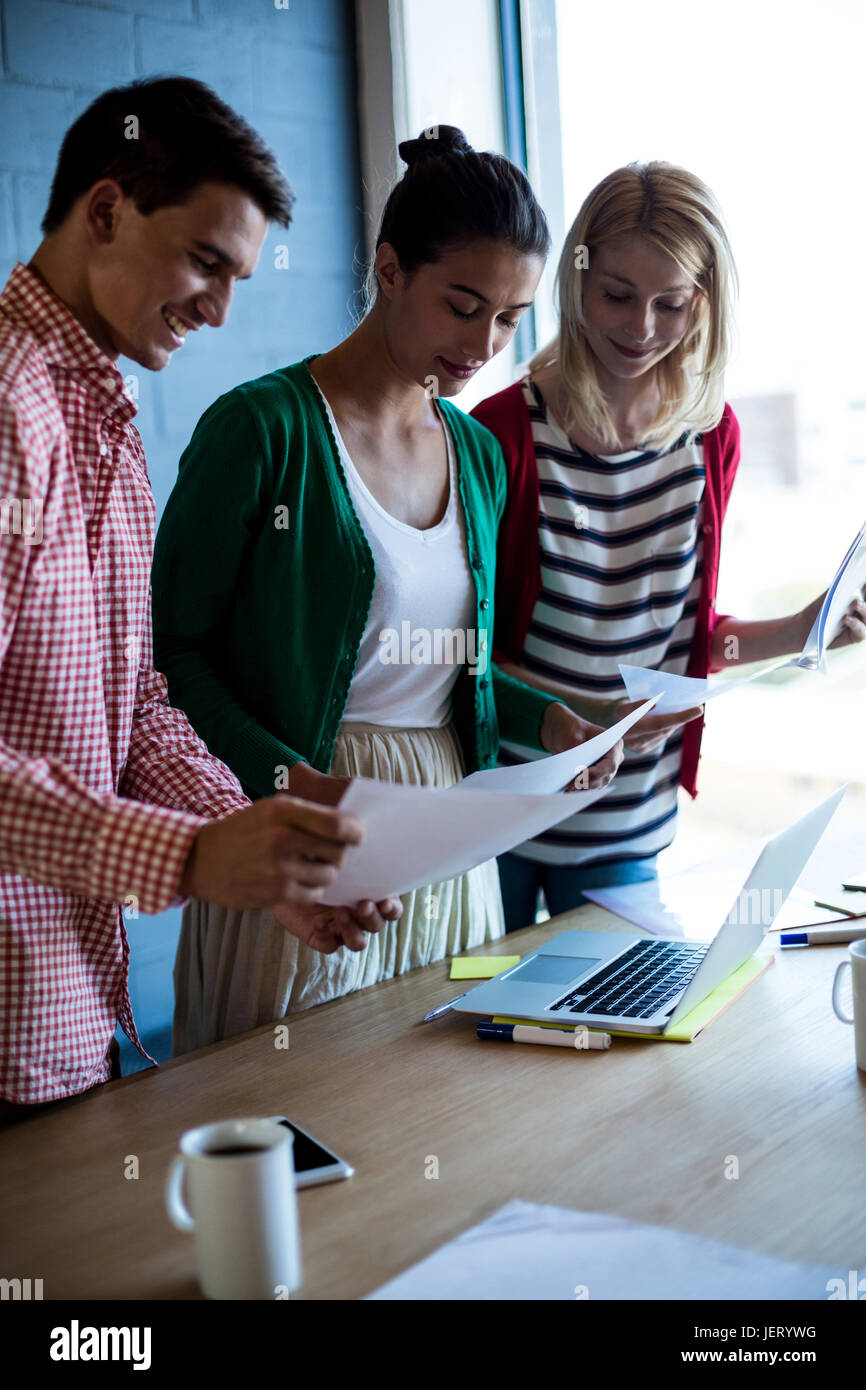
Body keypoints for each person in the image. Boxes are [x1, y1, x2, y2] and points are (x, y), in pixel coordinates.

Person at [152, 125, 624, 1053]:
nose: (484, 344)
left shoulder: (478, 455)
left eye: (511, 319)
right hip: (301, 838)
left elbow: (449, 668)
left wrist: (549, 719)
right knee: (297, 1118)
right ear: (390, 270)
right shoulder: (262, 430)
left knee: (449, 1112)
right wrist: (292, 780)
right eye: (463, 305)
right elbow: (170, 658)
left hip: (445, 845)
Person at [0, 78, 374, 1118]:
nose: (219, 309)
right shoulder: (6, 411)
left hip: (62, 1016)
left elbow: (137, 711)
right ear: (107, 210)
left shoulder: (106, 414)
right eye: (207, 262)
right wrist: (195, 856)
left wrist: (262, 846)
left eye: (238, 276)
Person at [472, 161, 866, 932]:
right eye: (616, 294)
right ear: (575, 281)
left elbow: (690, 637)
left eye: (672, 304)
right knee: (469, 1039)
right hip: (498, 818)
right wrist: (578, 712)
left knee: (618, 1030)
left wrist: (804, 628)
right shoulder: (504, 434)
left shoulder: (711, 436)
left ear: (706, 303)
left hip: (626, 820)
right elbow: (466, 654)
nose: (640, 328)